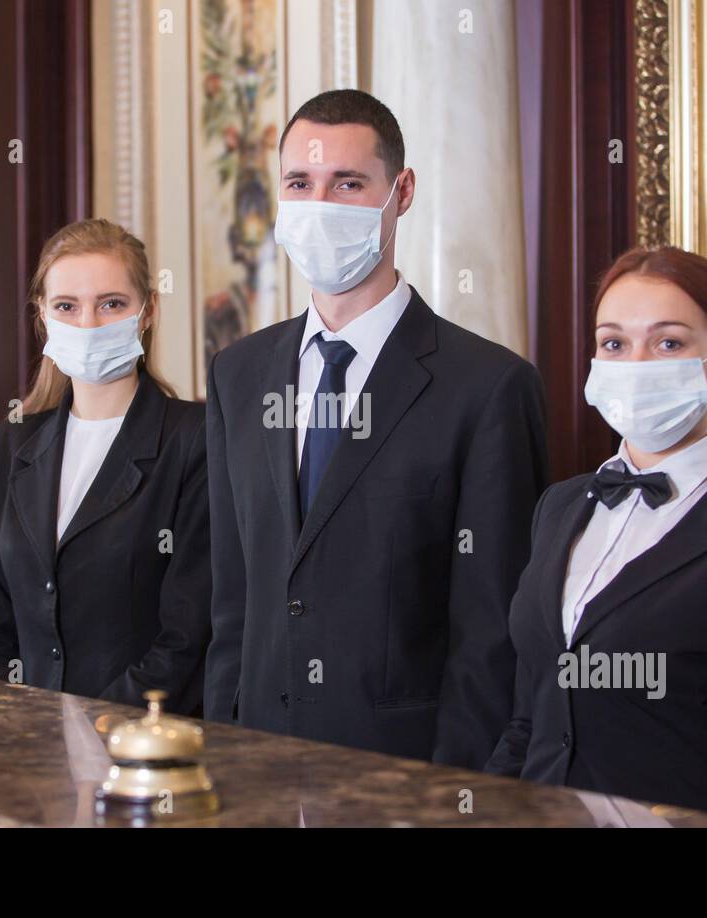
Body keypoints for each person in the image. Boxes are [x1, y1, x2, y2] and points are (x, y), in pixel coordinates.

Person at [203, 89, 550, 768]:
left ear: (402, 190)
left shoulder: (488, 388)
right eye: (301, 184)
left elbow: (492, 633)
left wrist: (456, 796)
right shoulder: (237, 376)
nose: (320, 206)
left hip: (407, 775)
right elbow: (232, 603)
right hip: (258, 769)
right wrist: (225, 754)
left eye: (348, 183)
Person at [485, 245, 707, 825]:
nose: (637, 364)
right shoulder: (560, 507)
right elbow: (529, 719)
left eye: (668, 342)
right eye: (614, 343)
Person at [0, 219, 211, 714]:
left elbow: (189, 632)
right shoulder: (9, 449)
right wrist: (22, 730)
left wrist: (90, 730)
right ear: (43, 317)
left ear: (147, 312)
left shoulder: (195, 440)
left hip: (146, 748)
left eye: (111, 304)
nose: (88, 324)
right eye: (66, 307)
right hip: (27, 753)